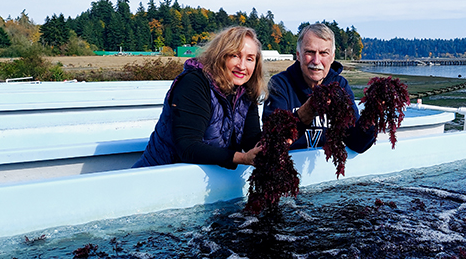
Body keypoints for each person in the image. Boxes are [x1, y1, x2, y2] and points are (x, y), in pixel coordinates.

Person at [133, 26, 266, 169]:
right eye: (235, 55)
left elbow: (251, 139)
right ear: (220, 55)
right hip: (158, 174)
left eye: (250, 59)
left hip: (205, 179)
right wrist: (241, 157)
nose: (242, 66)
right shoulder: (194, 83)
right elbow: (188, 146)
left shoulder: (245, 91)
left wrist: (280, 139)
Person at [262, 23, 376, 152]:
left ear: (332, 57)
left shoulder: (340, 86)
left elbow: (357, 143)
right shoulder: (280, 84)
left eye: (323, 53)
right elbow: (272, 141)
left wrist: (371, 116)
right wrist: (305, 114)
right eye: (310, 52)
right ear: (298, 55)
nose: (316, 61)